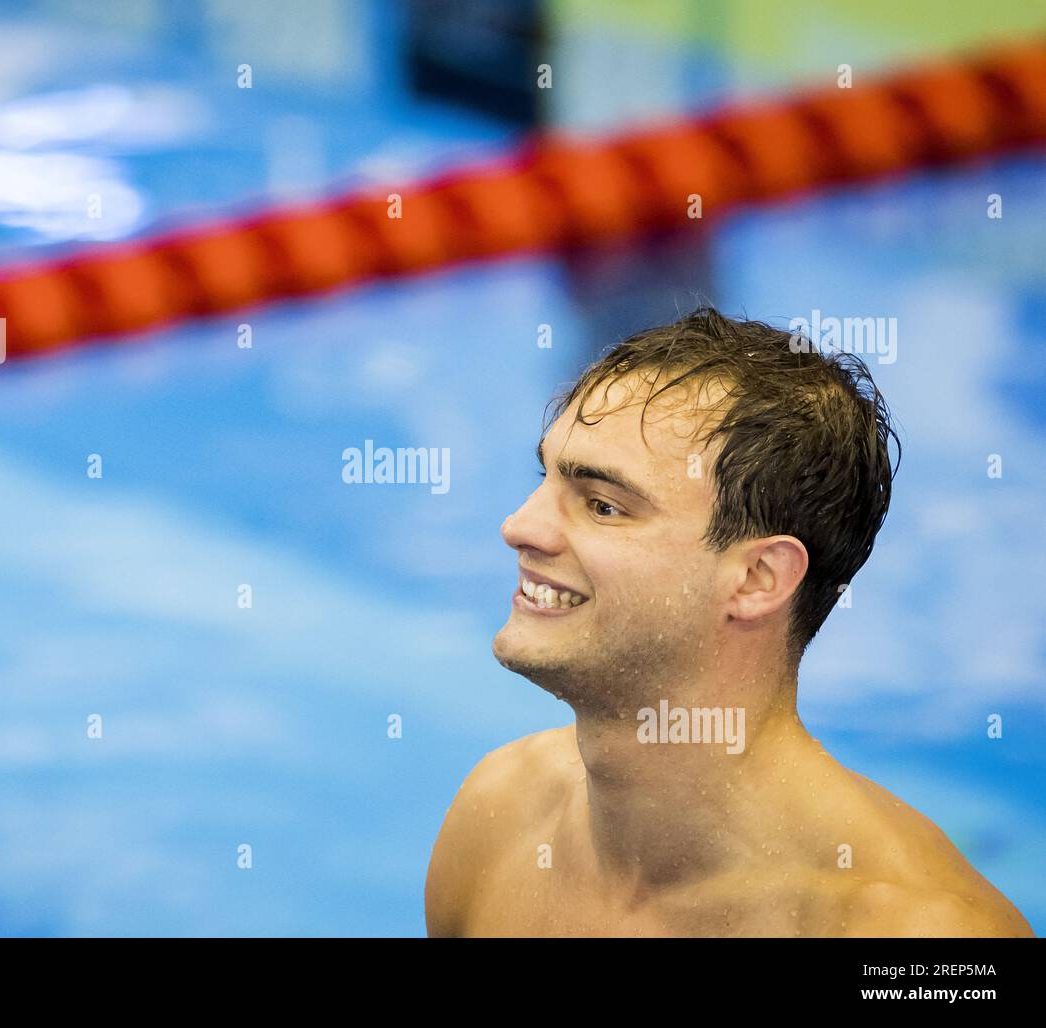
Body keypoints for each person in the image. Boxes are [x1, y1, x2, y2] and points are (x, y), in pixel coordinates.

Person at [425, 307, 1032, 937]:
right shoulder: (498, 816)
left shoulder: (914, 939)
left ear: (757, 579)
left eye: (603, 505)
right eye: (545, 478)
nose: (519, 527)